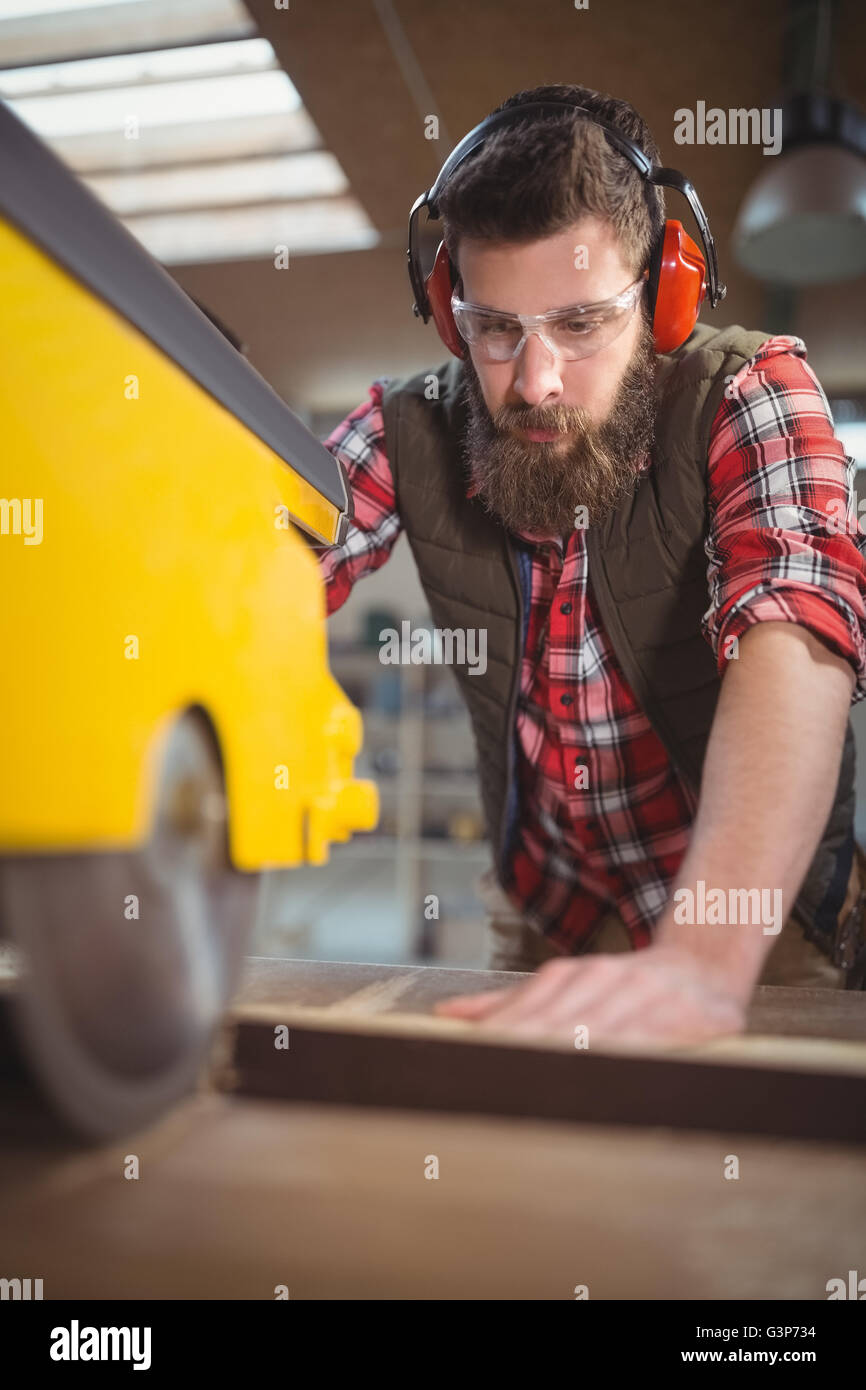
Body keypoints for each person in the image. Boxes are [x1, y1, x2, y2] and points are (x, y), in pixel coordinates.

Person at [315, 83, 866, 1044]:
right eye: (495, 329)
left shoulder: (753, 389)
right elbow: (266, 552)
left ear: (663, 297)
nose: (533, 384)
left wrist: (701, 962)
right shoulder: (410, 426)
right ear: (452, 316)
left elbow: (797, 625)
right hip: (548, 907)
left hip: (752, 923)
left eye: (579, 325)